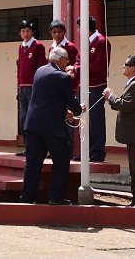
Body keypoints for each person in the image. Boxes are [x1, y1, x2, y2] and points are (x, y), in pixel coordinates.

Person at [21, 46, 84, 205]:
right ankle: (56, 196)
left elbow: (48, 99)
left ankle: (27, 198)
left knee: (33, 164)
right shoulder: (62, 77)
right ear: (61, 60)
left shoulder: (39, 71)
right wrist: (78, 109)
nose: (67, 63)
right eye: (66, 60)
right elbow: (71, 102)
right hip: (52, 128)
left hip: (33, 125)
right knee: (62, 161)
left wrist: (64, 111)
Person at [103, 54, 135, 207]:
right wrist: (112, 99)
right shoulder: (134, 83)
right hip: (134, 135)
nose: (123, 67)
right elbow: (125, 104)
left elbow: (125, 105)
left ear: (133, 68)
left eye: (125, 64)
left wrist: (111, 96)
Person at [71, 16, 111, 162]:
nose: (78, 30)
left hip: (96, 86)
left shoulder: (102, 41)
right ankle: (86, 151)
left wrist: (77, 68)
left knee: (96, 119)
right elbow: (78, 60)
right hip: (83, 86)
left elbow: (99, 65)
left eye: (79, 27)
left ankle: (98, 151)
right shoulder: (85, 42)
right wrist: (75, 69)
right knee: (83, 118)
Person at [16, 19, 47, 156]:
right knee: (23, 118)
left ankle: (37, 147)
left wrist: (40, 87)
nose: (25, 34)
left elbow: (42, 68)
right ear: (20, 33)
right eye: (23, 31)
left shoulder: (38, 45)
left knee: (33, 118)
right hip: (22, 88)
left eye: (28, 31)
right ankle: (28, 147)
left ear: (32, 32)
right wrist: (19, 85)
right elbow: (20, 68)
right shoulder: (21, 46)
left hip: (34, 87)